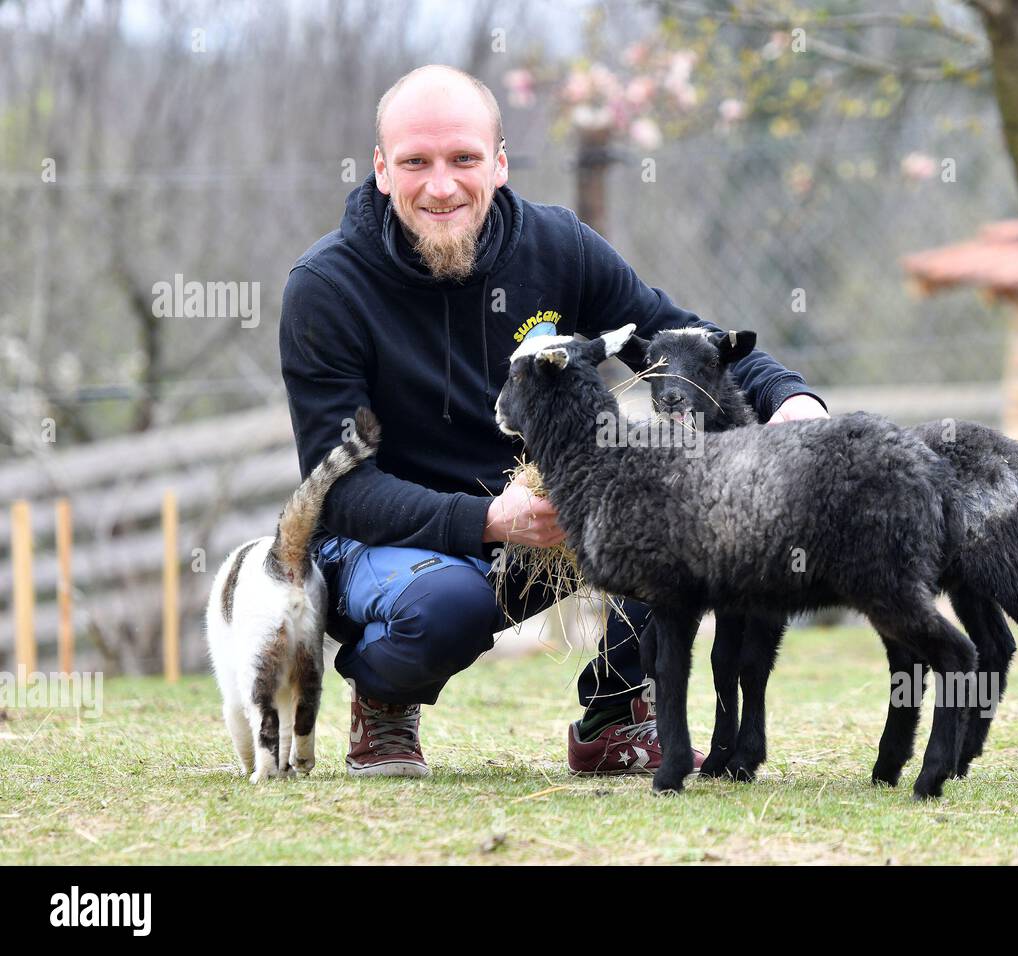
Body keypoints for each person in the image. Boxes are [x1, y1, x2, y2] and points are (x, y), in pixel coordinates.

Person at [279, 64, 828, 778]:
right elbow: (341, 493)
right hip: (387, 545)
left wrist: (790, 400)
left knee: (662, 510)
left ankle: (618, 712)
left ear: (499, 163)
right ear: (382, 170)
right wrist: (487, 520)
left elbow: (676, 341)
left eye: (463, 159)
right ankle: (384, 702)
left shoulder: (558, 249)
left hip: (540, 533)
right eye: (416, 162)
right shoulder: (326, 289)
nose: (441, 186)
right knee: (446, 605)